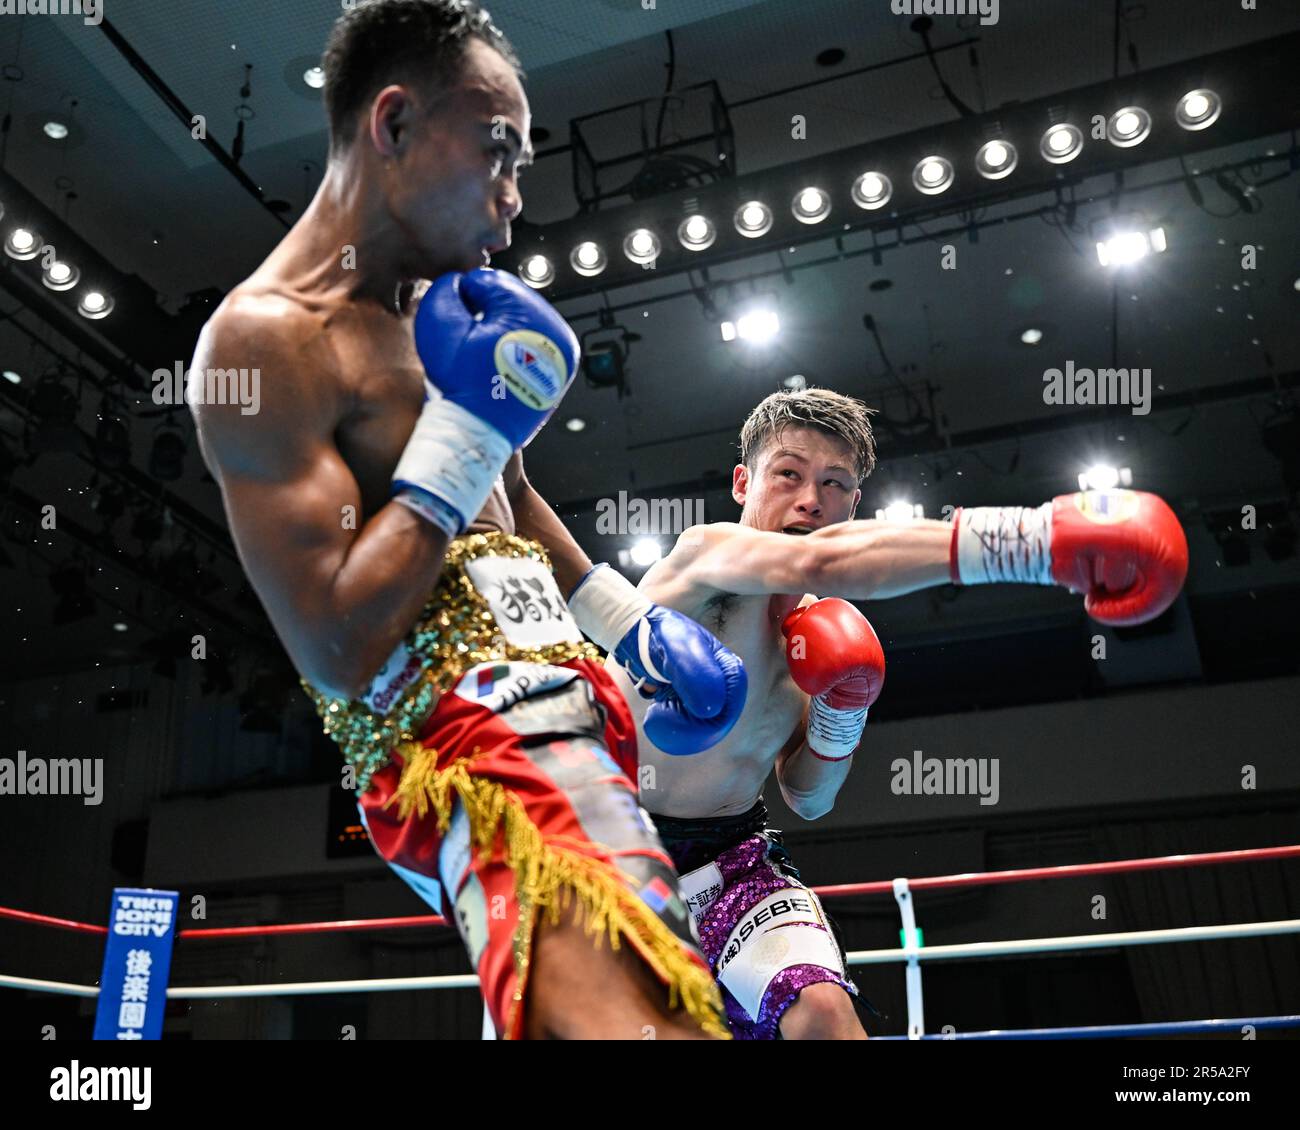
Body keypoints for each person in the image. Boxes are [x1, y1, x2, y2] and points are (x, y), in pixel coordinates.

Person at [187, 0, 745, 1040]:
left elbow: (513, 497)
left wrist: (629, 624)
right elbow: (341, 646)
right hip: (462, 735)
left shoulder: (451, 307)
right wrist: (462, 428)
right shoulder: (271, 341)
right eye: (497, 153)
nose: (514, 198)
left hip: (567, 697)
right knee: (646, 1016)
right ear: (392, 124)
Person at [597, 386, 1188, 1038]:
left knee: (822, 1012)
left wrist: (839, 717)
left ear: (855, 505)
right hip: (605, 854)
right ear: (744, 481)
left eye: (834, 483)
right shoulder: (707, 555)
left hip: (733, 855)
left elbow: (806, 797)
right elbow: (824, 556)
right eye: (788, 473)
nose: (810, 499)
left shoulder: (818, 629)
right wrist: (1034, 540)